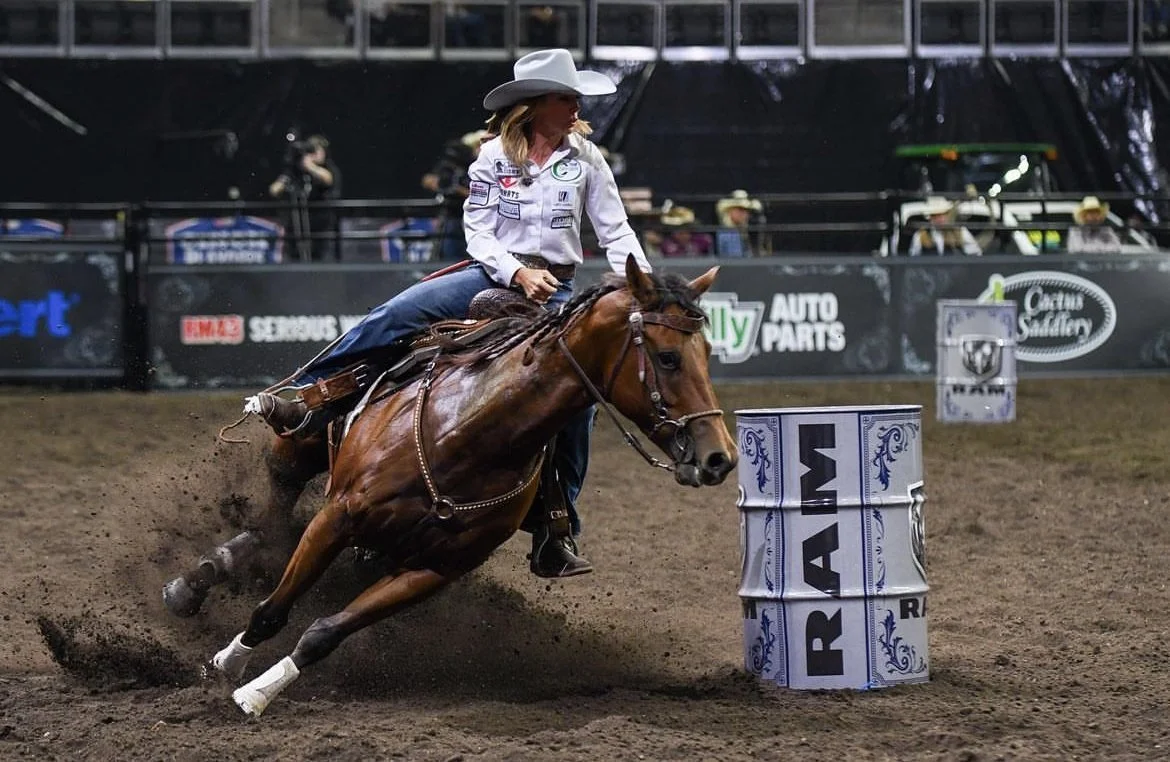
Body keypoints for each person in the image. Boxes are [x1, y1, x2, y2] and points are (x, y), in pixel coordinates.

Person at [246, 48, 652, 578]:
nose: (576, 102)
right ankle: (304, 396)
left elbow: (615, 229)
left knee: (580, 402)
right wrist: (516, 273)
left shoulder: (587, 159)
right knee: (395, 315)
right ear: (535, 104)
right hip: (493, 275)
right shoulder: (491, 158)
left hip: (557, 289)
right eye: (564, 94)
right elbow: (479, 234)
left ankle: (557, 526)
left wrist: (643, 284)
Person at [269, 134, 342, 262]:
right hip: (298, 225)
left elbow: (328, 179)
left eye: (318, 151)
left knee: (322, 259)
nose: (315, 154)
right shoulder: (295, 171)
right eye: (312, 151)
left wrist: (310, 166)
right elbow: (274, 189)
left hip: (322, 225)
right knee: (295, 258)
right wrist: (285, 180)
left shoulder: (328, 167)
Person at [421, 129, 488, 261]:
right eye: (479, 145)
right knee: (451, 254)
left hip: (479, 216)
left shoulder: (487, 165)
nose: (481, 149)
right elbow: (428, 180)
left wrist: (467, 192)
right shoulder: (455, 165)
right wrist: (450, 187)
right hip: (453, 214)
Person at [908, 197, 981, 256]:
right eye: (935, 216)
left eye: (942, 215)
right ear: (930, 218)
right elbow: (913, 259)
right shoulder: (921, 235)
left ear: (947, 215)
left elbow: (975, 254)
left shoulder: (960, 231)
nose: (939, 219)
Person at [715, 189, 762, 257]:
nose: (744, 214)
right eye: (740, 210)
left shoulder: (743, 233)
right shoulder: (728, 235)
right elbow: (737, 260)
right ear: (730, 211)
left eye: (746, 210)